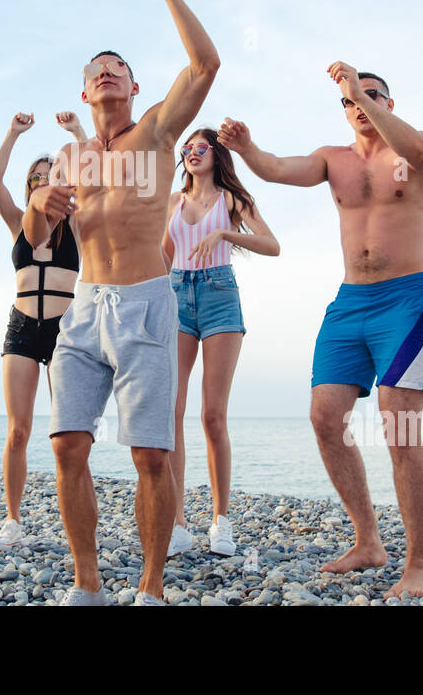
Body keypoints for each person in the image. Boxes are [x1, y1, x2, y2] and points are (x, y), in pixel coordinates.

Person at [24, 0, 220, 605]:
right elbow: (35, 241)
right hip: (84, 307)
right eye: (95, 71)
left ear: (133, 87)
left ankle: (152, 585)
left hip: (145, 302)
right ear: (85, 94)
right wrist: (38, 210)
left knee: (150, 457)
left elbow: (206, 65)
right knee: (67, 445)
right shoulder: (71, 159)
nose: (106, 72)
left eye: (117, 68)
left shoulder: (158, 131)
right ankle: (88, 582)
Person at [220, 63, 423, 600]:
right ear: (343, 111)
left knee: (399, 425)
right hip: (349, 302)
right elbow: (275, 169)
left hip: (406, 299)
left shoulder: (416, 150)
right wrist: (247, 149)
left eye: (373, 96)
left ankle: (418, 562)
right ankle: (368, 541)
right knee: (324, 417)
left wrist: (357, 90)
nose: (361, 105)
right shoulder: (333, 160)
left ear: (390, 102)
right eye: (352, 101)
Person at [162, 127, 278, 557]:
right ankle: (176, 524)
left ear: (217, 154)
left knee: (213, 414)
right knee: (172, 411)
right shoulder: (173, 201)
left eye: (201, 147)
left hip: (219, 295)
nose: (192, 153)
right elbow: (160, 255)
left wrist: (226, 235)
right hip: (175, 296)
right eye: (186, 148)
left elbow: (272, 245)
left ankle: (220, 520)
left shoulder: (232, 199)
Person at [0, 110, 88, 551]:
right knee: (18, 429)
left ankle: (78, 521)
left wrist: (79, 133)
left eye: (52, 178)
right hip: (23, 328)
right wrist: (11, 133)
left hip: (66, 331)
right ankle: (12, 519)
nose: (45, 185)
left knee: (69, 431)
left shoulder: (78, 226)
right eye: (37, 180)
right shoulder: (18, 224)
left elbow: (94, 173)